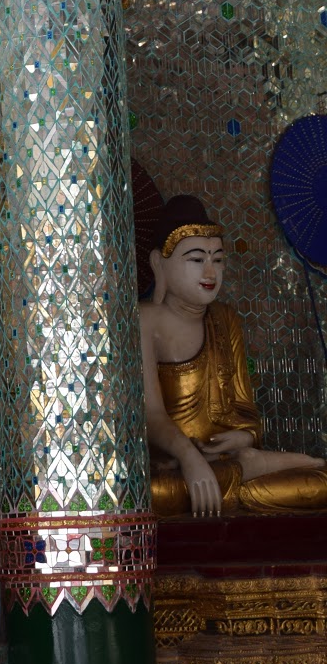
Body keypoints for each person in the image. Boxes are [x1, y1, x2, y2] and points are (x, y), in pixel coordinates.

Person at [140, 195, 327, 516]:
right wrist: (189, 457)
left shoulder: (225, 319)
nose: (210, 271)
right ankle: (248, 472)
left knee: (319, 483)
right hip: (173, 467)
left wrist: (243, 437)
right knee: (151, 495)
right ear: (159, 263)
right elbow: (151, 415)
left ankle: (249, 468)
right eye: (197, 260)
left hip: (222, 460)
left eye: (218, 259)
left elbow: (245, 412)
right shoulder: (144, 320)